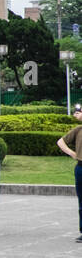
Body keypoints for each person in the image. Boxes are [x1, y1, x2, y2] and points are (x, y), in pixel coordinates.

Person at [55, 104, 82, 242]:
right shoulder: (78, 130)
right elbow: (60, 142)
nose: (76, 114)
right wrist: (72, 153)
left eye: (79, 112)